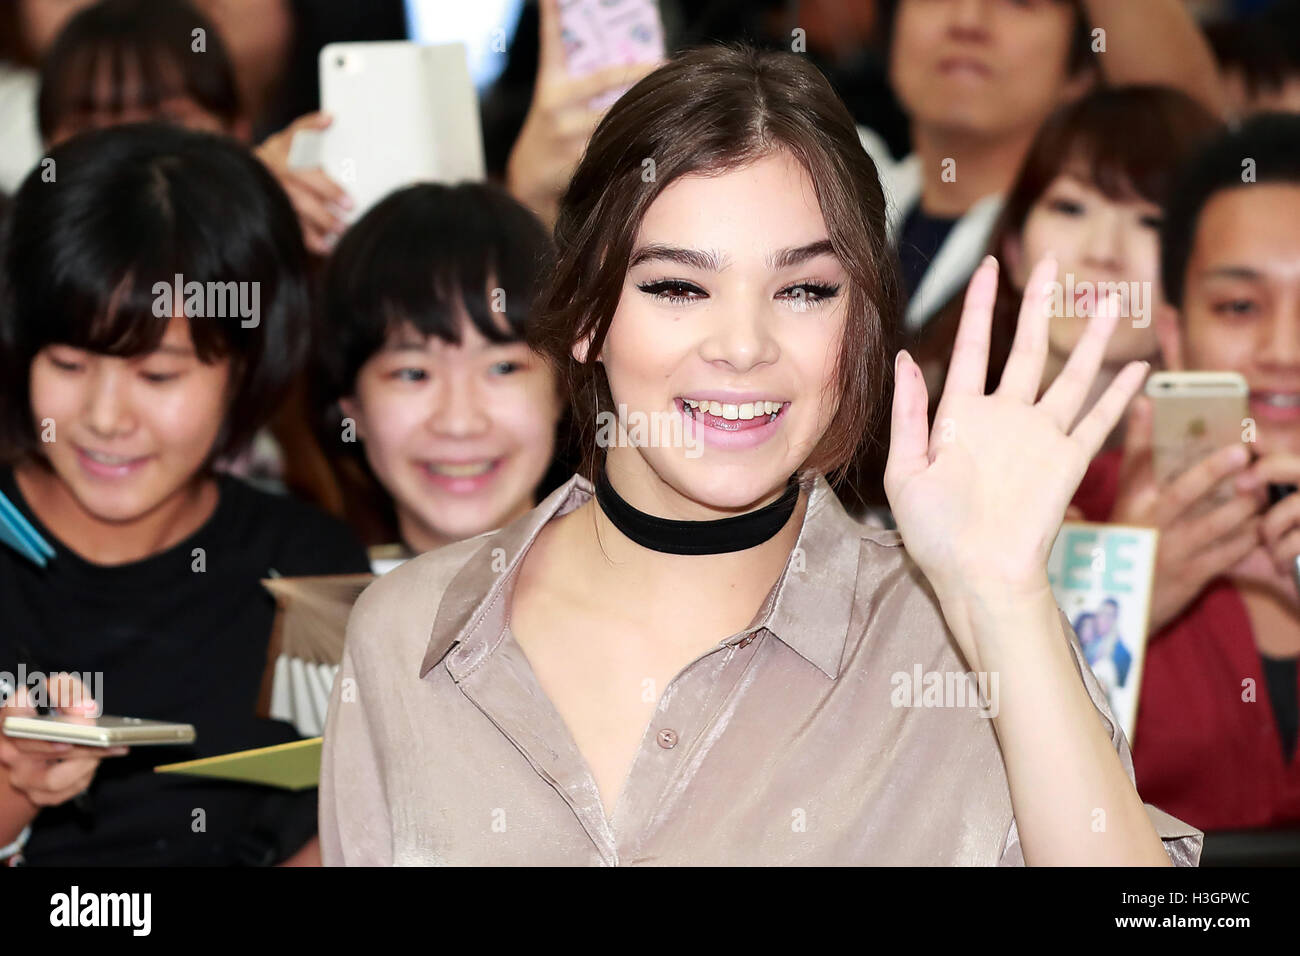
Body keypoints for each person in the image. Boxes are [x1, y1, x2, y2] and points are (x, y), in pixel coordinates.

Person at [319, 45, 1199, 866]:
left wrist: (1007, 602)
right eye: (677, 286)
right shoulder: (411, 633)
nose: (743, 345)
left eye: (804, 290)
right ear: (588, 315)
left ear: (855, 328)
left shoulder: (953, 637)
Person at [0, 123, 370, 866]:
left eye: (158, 375)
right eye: (70, 363)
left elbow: (343, 828)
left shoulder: (310, 575)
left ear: (245, 364)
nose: (106, 417)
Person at [1073, 113, 1300, 830]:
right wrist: (1123, 599)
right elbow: (964, 790)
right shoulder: (1070, 516)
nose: (1283, 349)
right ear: (1173, 333)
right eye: (1239, 306)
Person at [867, 0, 1223, 335]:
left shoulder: (1088, 252)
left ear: (1082, 69)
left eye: (1019, 1)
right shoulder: (841, 182)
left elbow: (1184, 119)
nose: (967, 22)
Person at [914, 87, 1221, 444]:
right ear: (1014, 250)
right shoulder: (908, 418)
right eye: (1070, 208)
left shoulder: (1248, 457)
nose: (1103, 252)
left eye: (1152, 222)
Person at [317, 181, 568, 557]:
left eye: (502, 368)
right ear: (353, 406)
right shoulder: (304, 605)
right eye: (413, 374)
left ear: (561, 391)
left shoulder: (652, 599)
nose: (459, 423)